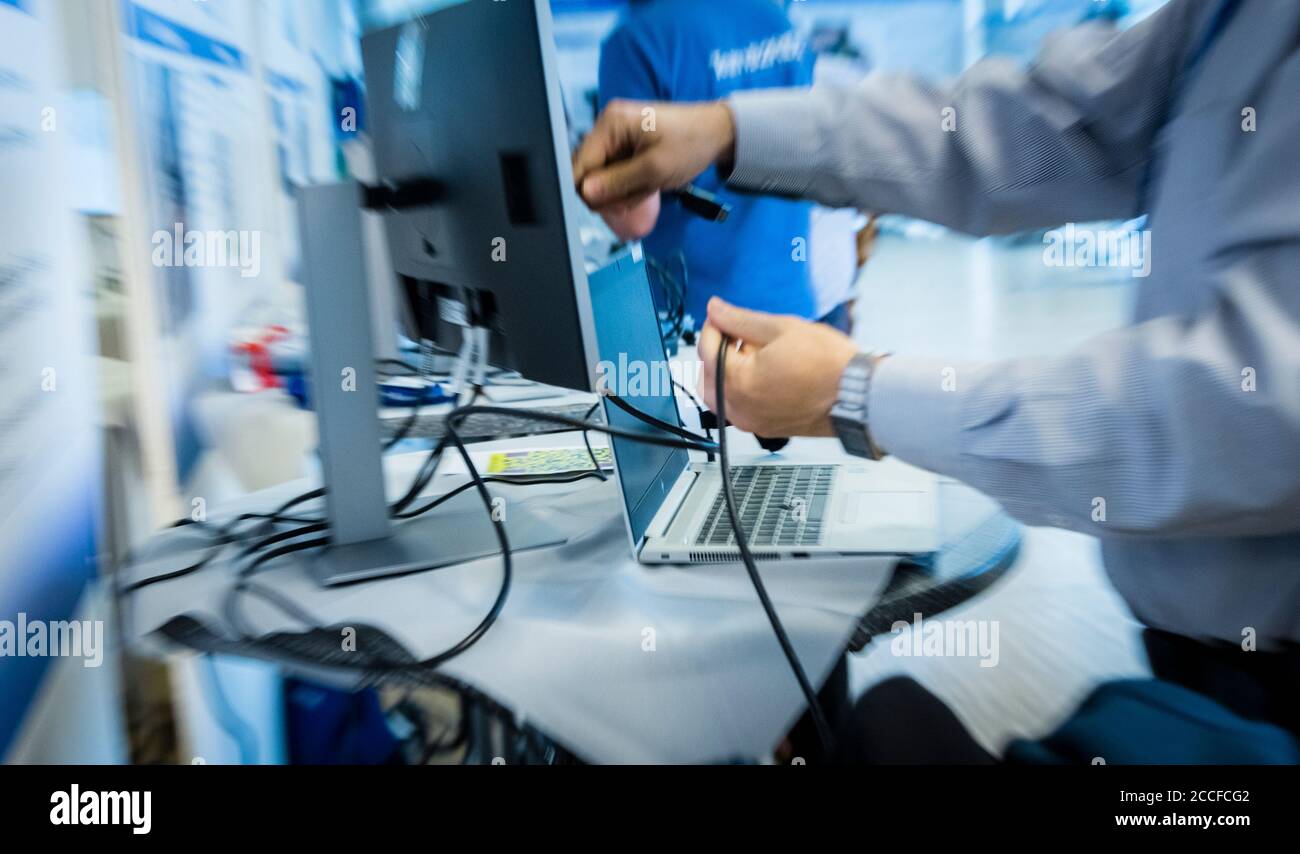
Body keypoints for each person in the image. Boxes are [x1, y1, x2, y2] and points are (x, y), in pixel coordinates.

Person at [574, 0, 1300, 761]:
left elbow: (1256, 410)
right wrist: (731, 130)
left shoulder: (639, 39)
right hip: (1197, 666)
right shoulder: (1224, 20)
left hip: (1271, 688)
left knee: (885, 726)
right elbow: (1039, 126)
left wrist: (855, 395)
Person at [594, 0, 819, 327]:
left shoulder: (635, 41)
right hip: (790, 306)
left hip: (695, 320)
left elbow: (635, 219)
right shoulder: (776, 18)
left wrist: (589, 176)